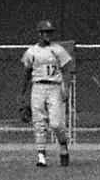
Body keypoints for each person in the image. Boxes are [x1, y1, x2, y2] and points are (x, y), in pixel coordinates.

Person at [21, 19, 74, 167]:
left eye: (50, 32)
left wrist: (66, 88)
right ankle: (41, 156)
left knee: (56, 123)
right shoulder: (31, 51)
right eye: (45, 32)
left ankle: (63, 144)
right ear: (39, 33)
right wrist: (22, 94)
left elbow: (67, 69)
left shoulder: (58, 49)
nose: (48, 35)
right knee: (39, 123)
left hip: (54, 87)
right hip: (38, 87)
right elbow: (26, 72)